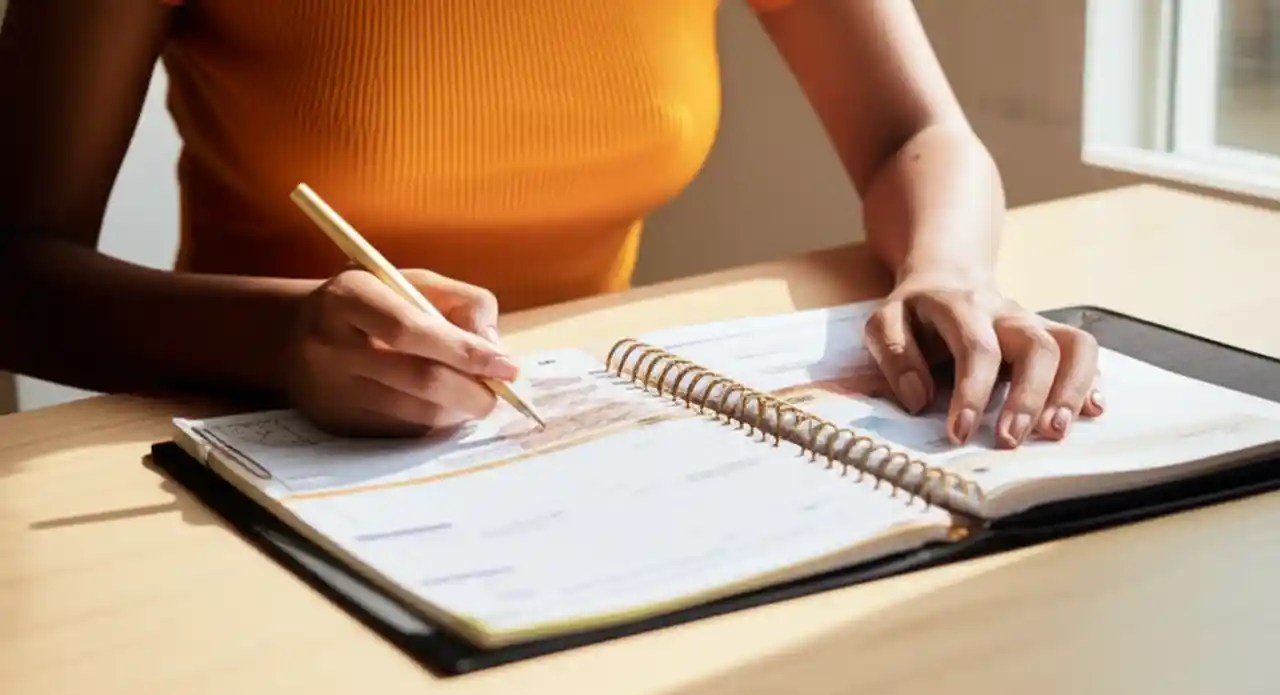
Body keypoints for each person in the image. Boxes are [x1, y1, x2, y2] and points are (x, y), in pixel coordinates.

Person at [0, 0, 1103, 448]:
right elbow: (19, 274)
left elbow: (912, 132)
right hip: (240, 463)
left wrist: (947, 266)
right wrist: (278, 342)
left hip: (576, 450)